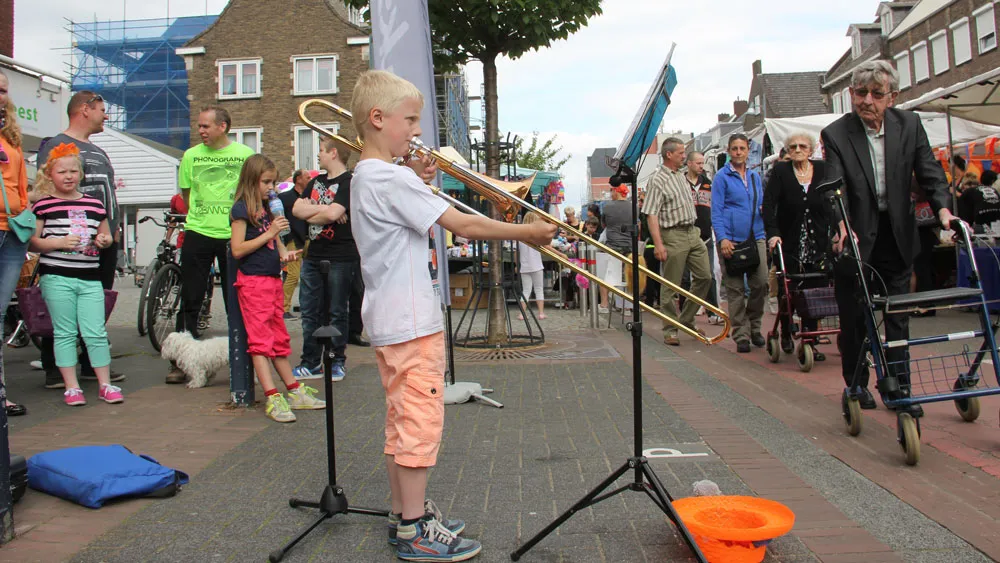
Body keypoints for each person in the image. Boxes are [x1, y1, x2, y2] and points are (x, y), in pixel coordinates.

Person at [350, 69, 556, 561]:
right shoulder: (389, 177)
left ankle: (406, 515)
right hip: (413, 322)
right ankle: (415, 530)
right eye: (411, 120)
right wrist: (524, 233)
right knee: (420, 424)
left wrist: (413, 178)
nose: (418, 132)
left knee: (402, 421)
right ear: (378, 119)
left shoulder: (368, 175)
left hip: (389, 319)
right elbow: (461, 221)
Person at [822, 60, 957, 411]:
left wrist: (943, 209)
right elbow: (833, 187)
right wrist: (841, 223)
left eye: (876, 94)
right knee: (854, 319)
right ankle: (856, 385)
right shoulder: (836, 134)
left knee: (897, 316)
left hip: (897, 236)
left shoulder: (909, 125)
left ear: (892, 97)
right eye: (860, 93)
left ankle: (900, 390)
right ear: (851, 94)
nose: (867, 100)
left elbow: (930, 171)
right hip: (854, 238)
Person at [36, 90, 125, 390]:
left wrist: (111, 230)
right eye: (102, 109)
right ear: (85, 109)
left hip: (102, 242)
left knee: (96, 305)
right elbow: (43, 189)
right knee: (60, 309)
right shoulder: (55, 145)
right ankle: (55, 368)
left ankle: (91, 364)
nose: (106, 115)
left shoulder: (99, 152)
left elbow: (107, 195)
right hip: (65, 248)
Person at [229, 154, 324, 422]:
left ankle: (293, 390)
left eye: (273, 182)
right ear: (251, 181)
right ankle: (272, 396)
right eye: (266, 182)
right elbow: (238, 249)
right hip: (253, 282)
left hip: (271, 280)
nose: (271, 188)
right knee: (260, 343)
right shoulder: (241, 210)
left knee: (279, 339)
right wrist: (270, 234)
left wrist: (283, 252)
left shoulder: (265, 208)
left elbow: (274, 243)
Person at [168, 107, 254, 384]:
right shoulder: (190, 156)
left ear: (223, 127)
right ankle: (181, 360)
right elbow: (187, 195)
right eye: (199, 126)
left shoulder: (244, 155)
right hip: (199, 231)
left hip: (233, 234)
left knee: (236, 299)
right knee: (191, 296)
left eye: (206, 126)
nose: (201, 131)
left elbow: (252, 193)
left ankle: (241, 357)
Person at [290, 137, 357, 382]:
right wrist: (327, 212)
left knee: (337, 310)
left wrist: (320, 210)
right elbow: (297, 210)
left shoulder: (350, 182)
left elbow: (332, 212)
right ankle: (310, 362)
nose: (317, 155)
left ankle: (336, 360)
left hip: (340, 256)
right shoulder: (316, 181)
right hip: (313, 256)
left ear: (333, 153)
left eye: (320, 150)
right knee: (309, 311)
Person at [763, 133, 831, 359]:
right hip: (789, 240)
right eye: (793, 147)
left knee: (816, 289)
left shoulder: (822, 170)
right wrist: (773, 234)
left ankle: (811, 338)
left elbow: (832, 201)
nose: (798, 149)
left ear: (811, 150)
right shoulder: (781, 172)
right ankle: (785, 331)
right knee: (788, 289)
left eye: (802, 146)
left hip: (817, 240)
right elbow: (769, 204)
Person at [643, 137, 712, 347]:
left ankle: (686, 320)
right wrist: (659, 244)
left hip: (693, 231)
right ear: (669, 155)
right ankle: (670, 328)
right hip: (672, 234)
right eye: (681, 153)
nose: (684, 156)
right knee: (671, 284)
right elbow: (651, 214)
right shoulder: (657, 180)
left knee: (705, 277)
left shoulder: (681, 176)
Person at [712, 134, 767, 354]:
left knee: (760, 283)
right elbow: (716, 211)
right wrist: (723, 238)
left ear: (747, 150)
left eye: (742, 148)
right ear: (728, 151)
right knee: (735, 289)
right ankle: (741, 334)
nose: (738, 152)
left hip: (756, 236)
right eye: (734, 148)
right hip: (731, 239)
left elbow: (761, 204)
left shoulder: (754, 177)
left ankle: (755, 326)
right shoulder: (721, 177)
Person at [0, 70, 28, 416]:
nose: (0, 95)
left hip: (13, 232)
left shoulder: (12, 138)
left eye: (3, 90)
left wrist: (27, 213)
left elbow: (21, 186)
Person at [680, 151, 723, 325]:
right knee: (684, 277)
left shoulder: (708, 183)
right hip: (685, 234)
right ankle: (685, 314)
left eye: (702, 163)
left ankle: (713, 311)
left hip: (705, 235)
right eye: (698, 163)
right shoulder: (680, 183)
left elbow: (714, 206)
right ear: (689, 163)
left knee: (708, 274)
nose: (701, 166)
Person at [517, 212, 567, 320]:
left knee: (526, 290)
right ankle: (541, 313)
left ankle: (522, 314)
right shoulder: (536, 235)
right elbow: (548, 247)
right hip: (536, 266)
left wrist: (518, 265)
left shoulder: (520, 236)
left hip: (525, 267)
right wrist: (561, 254)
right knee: (539, 289)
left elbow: (517, 252)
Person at [279, 169, 311, 319]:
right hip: (293, 240)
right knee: (293, 274)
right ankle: (283, 307)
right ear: (298, 179)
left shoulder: (308, 197)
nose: (310, 179)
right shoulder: (285, 198)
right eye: (307, 177)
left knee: (308, 275)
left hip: (308, 239)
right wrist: (287, 236)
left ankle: (306, 306)